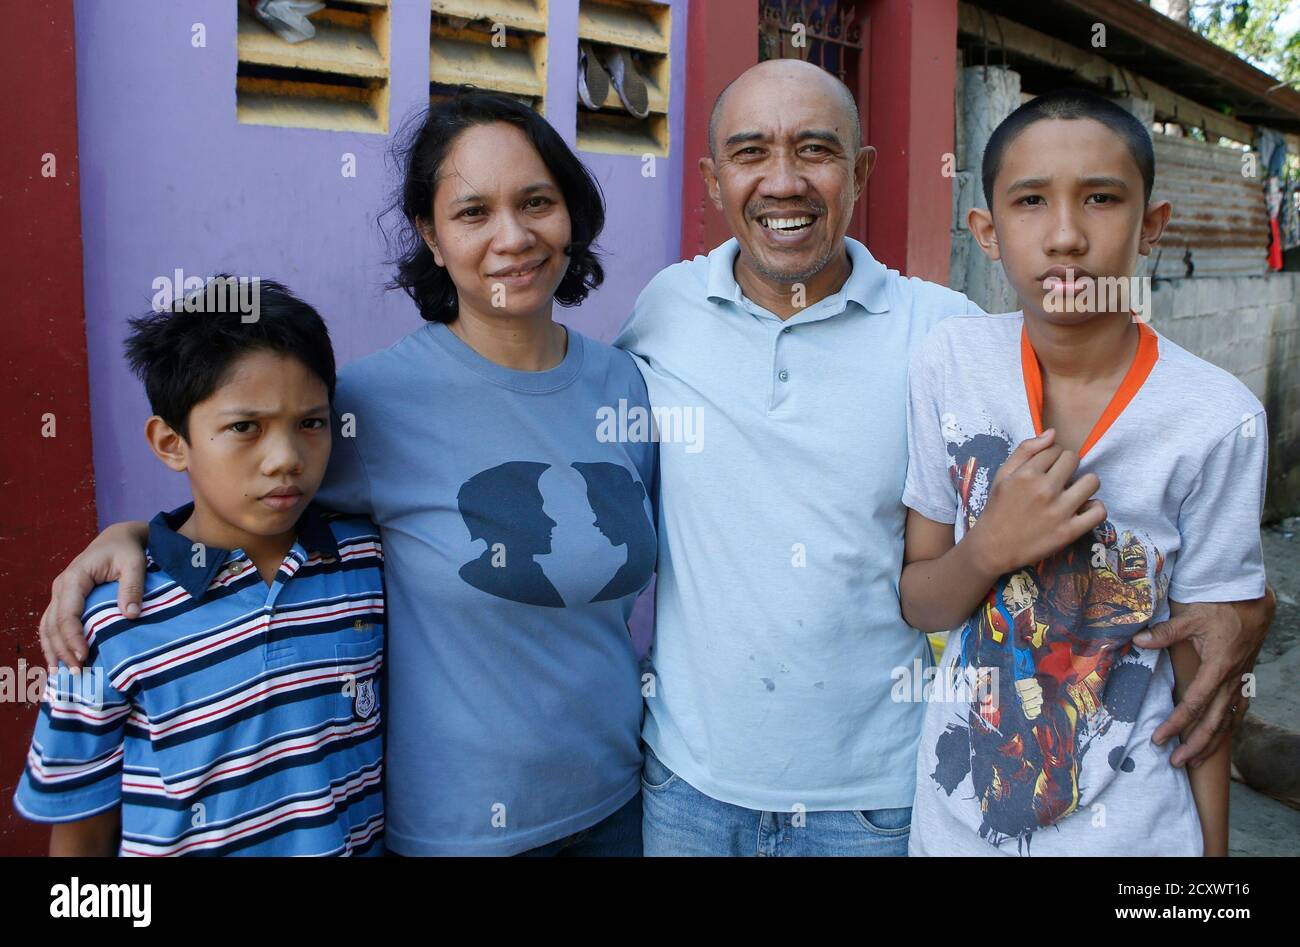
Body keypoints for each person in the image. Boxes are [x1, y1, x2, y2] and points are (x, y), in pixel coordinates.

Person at [614, 59, 1272, 856]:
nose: (783, 181)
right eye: (751, 153)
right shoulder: (665, 310)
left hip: (878, 800)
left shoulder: (941, 336)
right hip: (687, 784)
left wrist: (1243, 603)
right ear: (714, 182)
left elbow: (1089, 352)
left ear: (860, 174)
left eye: (816, 150)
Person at [34, 92, 656, 857]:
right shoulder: (368, 403)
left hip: (623, 807)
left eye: (537, 202)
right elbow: (247, 500)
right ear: (429, 234)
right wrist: (132, 538)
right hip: (458, 834)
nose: (513, 237)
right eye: (471, 212)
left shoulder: (624, 384)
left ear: (571, 214)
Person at [899, 89, 1261, 856]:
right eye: (1031, 202)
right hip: (959, 829)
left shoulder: (1216, 417)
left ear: (1151, 226)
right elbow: (922, 601)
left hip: (1136, 836)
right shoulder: (950, 365)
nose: (1065, 236)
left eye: (1101, 198)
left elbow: (1208, 681)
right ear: (988, 232)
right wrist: (990, 547)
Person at [15, 279, 387, 855]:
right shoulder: (110, 621)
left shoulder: (365, 563)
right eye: (245, 427)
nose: (286, 458)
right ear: (171, 443)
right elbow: (81, 827)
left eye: (311, 423)